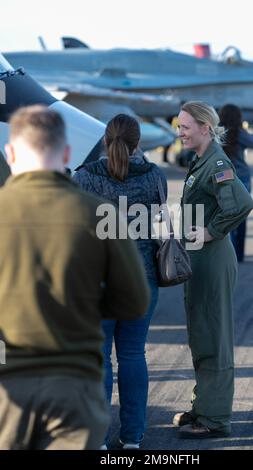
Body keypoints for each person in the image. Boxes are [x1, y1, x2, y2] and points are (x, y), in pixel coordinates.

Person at [0, 105, 150, 450]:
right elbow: (135, 300)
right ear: (66, 153)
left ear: (9, 152)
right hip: (74, 385)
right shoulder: (100, 214)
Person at [74, 114, 167, 449]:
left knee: (99, 357)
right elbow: (158, 215)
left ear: (104, 139)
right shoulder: (155, 176)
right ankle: (133, 439)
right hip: (141, 278)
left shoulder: (83, 178)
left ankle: (98, 438)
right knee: (132, 354)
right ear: (138, 141)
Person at [174, 101, 253, 439]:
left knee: (215, 339)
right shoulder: (201, 160)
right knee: (202, 335)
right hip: (200, 260)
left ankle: (216, 418)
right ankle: (204, 405)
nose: (179, 133)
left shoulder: (217, 162)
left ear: (205, 127)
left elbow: (242, 203)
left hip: (212, 258)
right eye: (179, 126)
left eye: (185, 127)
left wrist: (211, 230)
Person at [219, 104, 253, 262]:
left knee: (227, 215)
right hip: (242, 178)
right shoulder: (239, 133)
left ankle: (230, 253)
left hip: (223, 178)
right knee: (241, 216)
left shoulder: (217, 133)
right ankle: (239, 254)